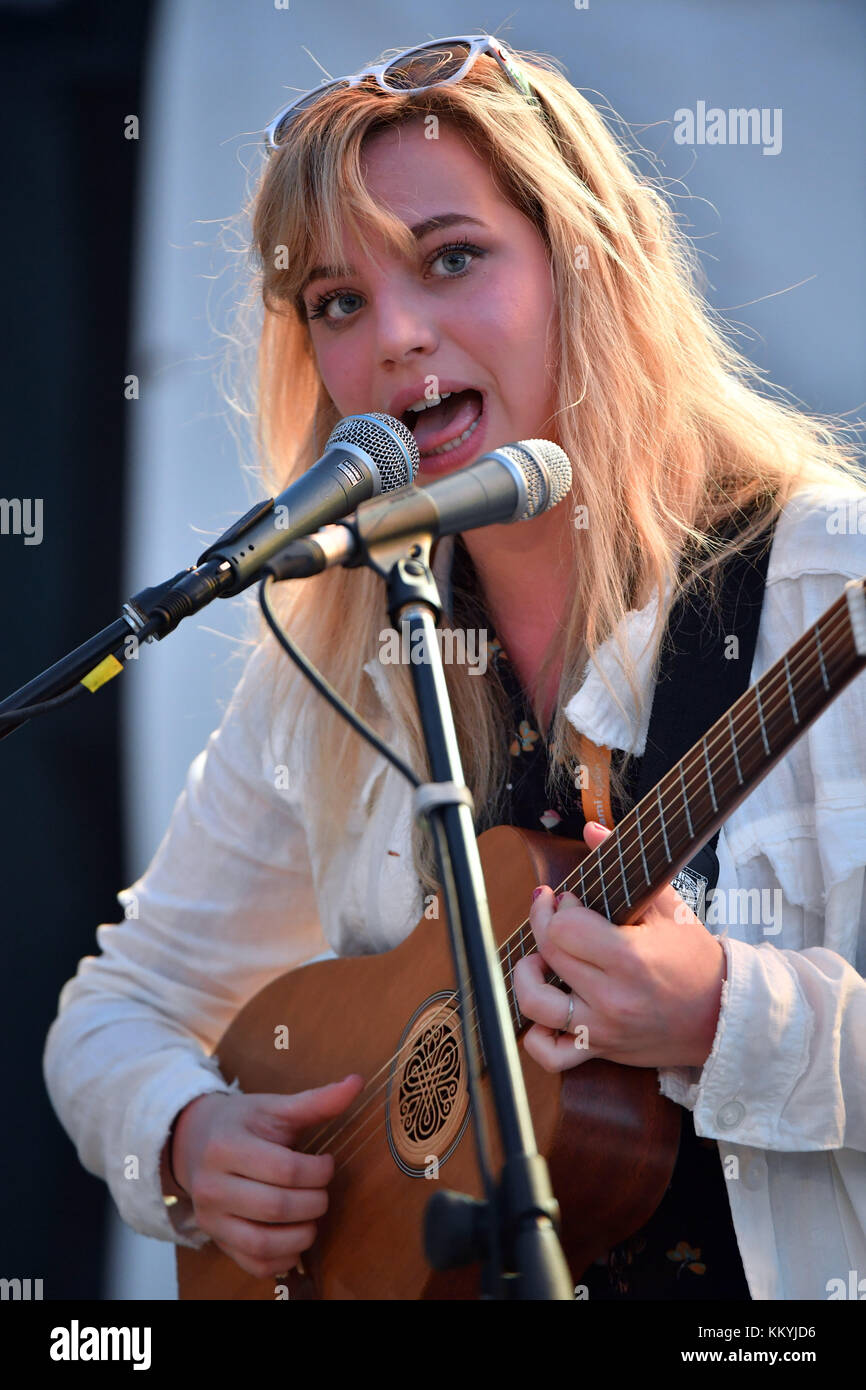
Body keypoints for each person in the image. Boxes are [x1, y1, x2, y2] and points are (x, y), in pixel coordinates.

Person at [44, 35, 866, 1300]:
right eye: (335, 301)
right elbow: (119, 1007)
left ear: (585, 265)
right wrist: (184, 1139)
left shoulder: (828, 580)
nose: (396, 336)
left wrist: (723, 1017)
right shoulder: (339, 658)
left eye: (451, 259)